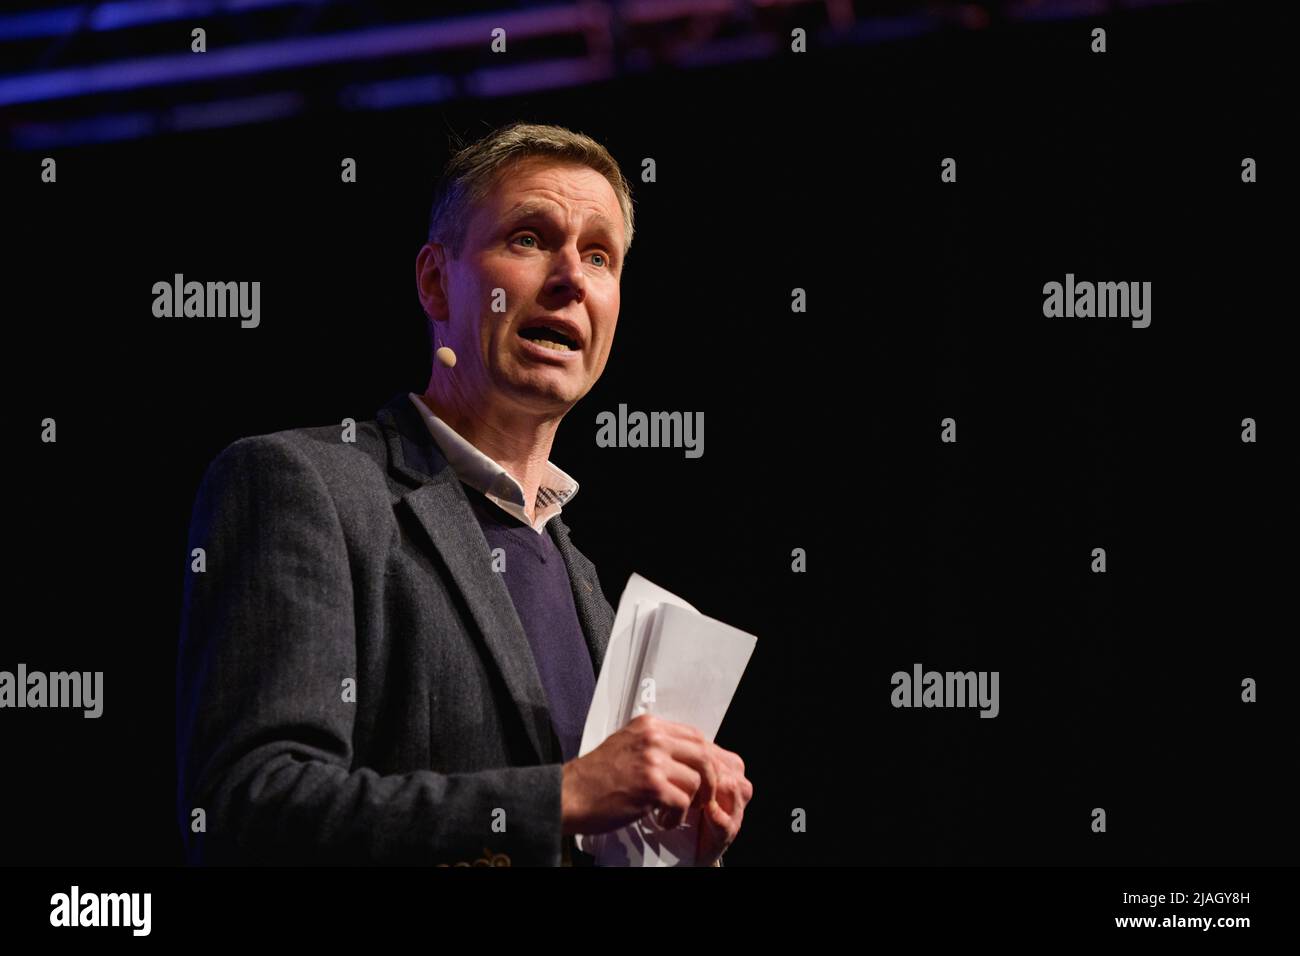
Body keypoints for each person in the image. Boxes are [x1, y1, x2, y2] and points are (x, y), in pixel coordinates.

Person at [176, 122, 753, 866]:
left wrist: (670, 837)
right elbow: (245, 812)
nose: (572, 276)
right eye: (528, 238)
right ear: (434, 281)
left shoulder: (587, 588)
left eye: (600, 255)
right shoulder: (304, 487)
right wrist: (563, 797)